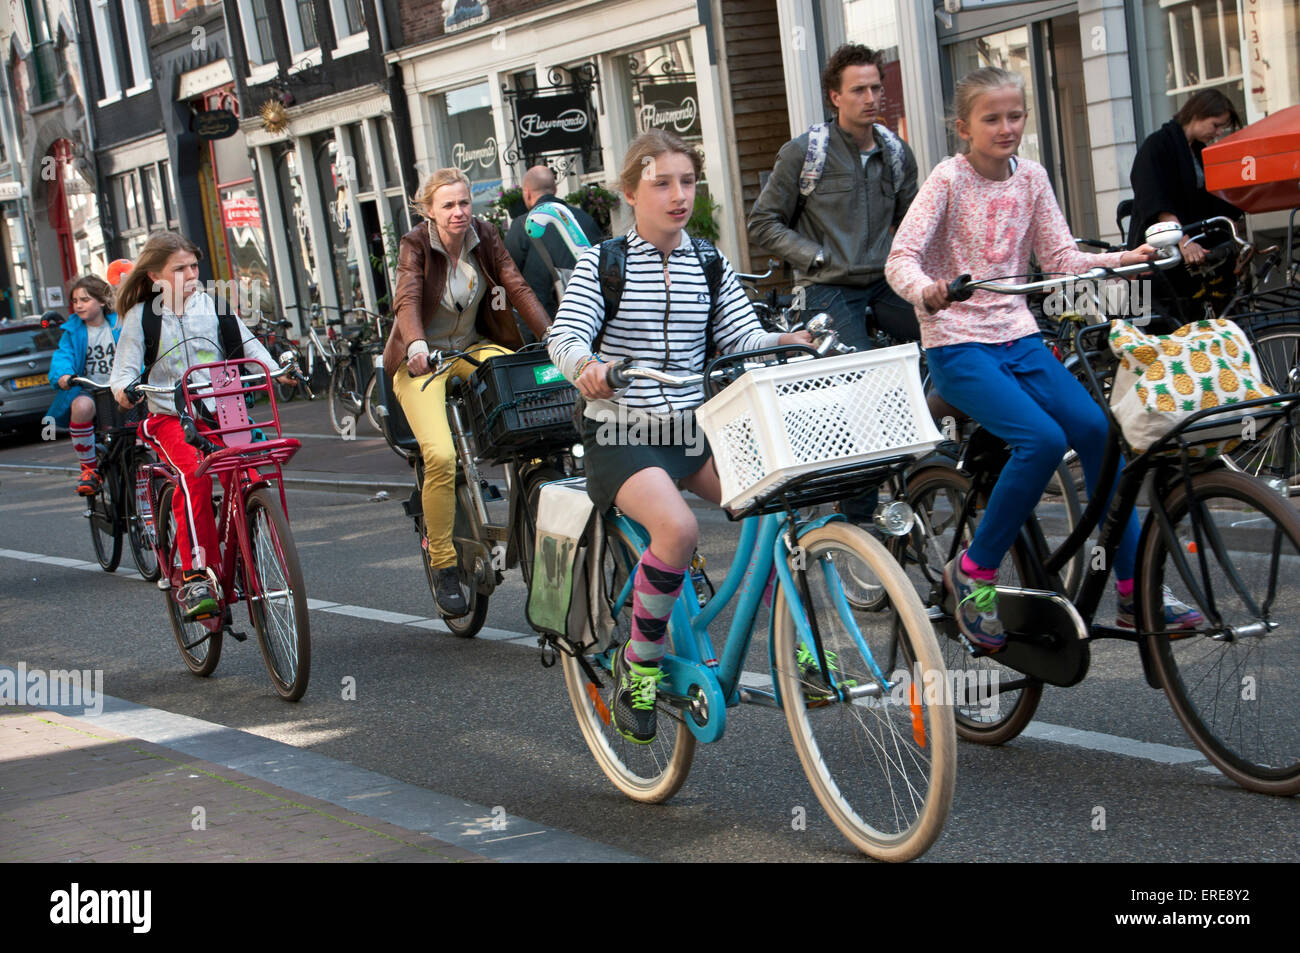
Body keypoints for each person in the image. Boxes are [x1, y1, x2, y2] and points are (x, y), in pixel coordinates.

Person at [885, 67, 1202, 651]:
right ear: (964, 128)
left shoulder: (1030, 177)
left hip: (1018, 332)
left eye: (1016, 116)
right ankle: (974, 571)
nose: (1007, 128)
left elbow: (1059, 256)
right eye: (992, 118)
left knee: (1099, 433)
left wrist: (1124, 260)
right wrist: (924, 290)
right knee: (1041, 438)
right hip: (957, 341)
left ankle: (1134, 591)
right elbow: (900, 256)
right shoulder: (946, 180)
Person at [548, 129, 811, 744]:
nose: (677, 195)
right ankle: (637, 668)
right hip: (620, 429)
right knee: (678, 528)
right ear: (631, 192)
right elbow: (566, 337)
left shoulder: (709, 262)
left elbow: (740, 337)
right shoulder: (602, 263)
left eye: (687, 181)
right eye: (661, 182)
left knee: (772, 500)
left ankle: (793, 644)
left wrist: (784, 342)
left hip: (691, 427)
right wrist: (585, 368)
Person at [383, 167, 551, 618]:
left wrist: (554, 335)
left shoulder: (485, 235)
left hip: (471, 350)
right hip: (421, 363)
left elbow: (514, 285)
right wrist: (416, 344)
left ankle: (533, 500)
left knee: (527, 406)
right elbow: (408, 296)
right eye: (448, 205)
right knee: (440, 457)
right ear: (430, 211)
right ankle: (444, 566)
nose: (459, 212)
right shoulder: (415, 245)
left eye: (464, 203)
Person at [109, 231, 282, 620]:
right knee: (194, 476)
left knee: (253, 470)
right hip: (168, 416)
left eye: (193, 265)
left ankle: (249, 544)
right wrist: (124, 389)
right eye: (179, 269)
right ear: (154, 276)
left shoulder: (215, 307)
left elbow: (248, 345)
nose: (191, 274)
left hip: (222, 411)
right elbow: (123, 369)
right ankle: (196, 576)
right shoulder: (143, 317)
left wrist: (278, 371)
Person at [748, 42, 919, 351]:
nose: (870, 98)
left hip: (884, 280)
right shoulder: (805, 152)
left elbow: (914, 224)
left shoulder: (896, 152)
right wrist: (815, 255)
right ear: (835, 97)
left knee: (948, 335)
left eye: (876, 88)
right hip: (825, 285)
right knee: (861, 368)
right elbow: (762, 222)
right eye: (858, 90)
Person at [1128, 89, 1244, 324]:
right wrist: (1184, 240)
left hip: (1193, 253)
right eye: (1216, 125)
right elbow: (1155, 198)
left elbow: (1214, 199)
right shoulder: (1157, 146)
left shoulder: (1199, 151)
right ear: (1198, 115)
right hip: (1165, 253)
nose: (1218, 132)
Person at [48, 275, 122, 495]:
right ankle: (89, 469)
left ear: (101, 301)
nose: (78, 305)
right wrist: (63, 375)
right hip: (90, 390)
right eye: (75, 301)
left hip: (120, 389)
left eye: (85, 299)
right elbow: (63, 356)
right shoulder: (72, 331)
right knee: (80, 407)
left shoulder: (120, 323)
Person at [504, 165, 604, 319]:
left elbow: (508, 276)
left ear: (527, 193)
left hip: (544, 325)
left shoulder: (521, 227)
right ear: (555, 190)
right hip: (589, 317)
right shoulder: (585, 220)